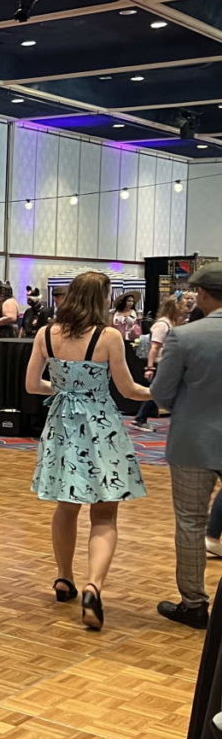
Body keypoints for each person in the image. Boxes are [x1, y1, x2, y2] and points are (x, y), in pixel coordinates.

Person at [24, 271, 150, 631]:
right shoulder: (108, 336)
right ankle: (94, 585)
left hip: (63, 426)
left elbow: (33, 385)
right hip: (101, 428)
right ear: (103, 299)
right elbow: (128, 390)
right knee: (105, 514)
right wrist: (160, 393)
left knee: (66, 506)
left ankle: (64, 578)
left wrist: (63, 390)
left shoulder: (46, 334)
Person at [153, 263, 222, 629]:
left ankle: (194, 604)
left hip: (194, 441)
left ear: (205, 295)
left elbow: (161, 394)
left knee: (191, 524)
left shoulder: (185, 337)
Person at [132, 295, 186, 431]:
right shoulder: (162, 325)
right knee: (157, 392)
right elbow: (154, 347)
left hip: (169, 362)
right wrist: (149, 367)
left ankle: (141, 418)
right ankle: (140, 418)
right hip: (160, 363)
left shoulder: (171, 323)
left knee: (161, 392)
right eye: (181, 306)